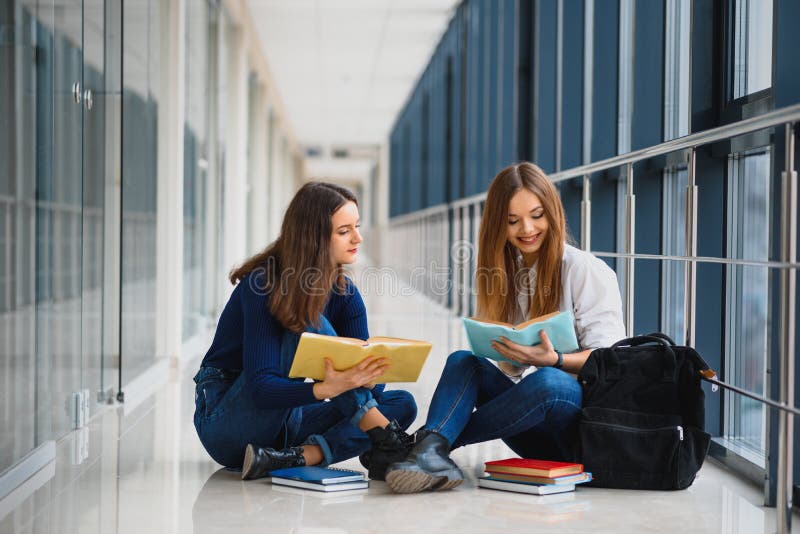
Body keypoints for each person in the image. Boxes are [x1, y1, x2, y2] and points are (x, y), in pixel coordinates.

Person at [385, 162, 626, 493]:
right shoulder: (508, 275)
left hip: (582, 429)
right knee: (463, 361)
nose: (526, 228)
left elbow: (610, 363)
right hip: (534, 433)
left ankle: (424, 446)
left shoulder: (586, 271)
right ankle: (431, 448)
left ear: (553, 213)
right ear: (499, 225)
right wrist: (512, 355)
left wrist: (553, 359)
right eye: (513, 221)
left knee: (548, 381)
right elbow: (511, 376)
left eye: (536, 215)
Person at [193, 182, 417, 481]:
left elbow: (370, 395)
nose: (358, 238)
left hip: (288, 423)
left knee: (402, 404)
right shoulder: (262, 285)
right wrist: (327, 388)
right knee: (306, 319)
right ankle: (387, 441)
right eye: (344, 231)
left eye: (357, 227)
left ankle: (293, 457)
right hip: (229, 426)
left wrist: (362, 373)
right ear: (313, 237)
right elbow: (261, 390)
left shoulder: (345, 295)